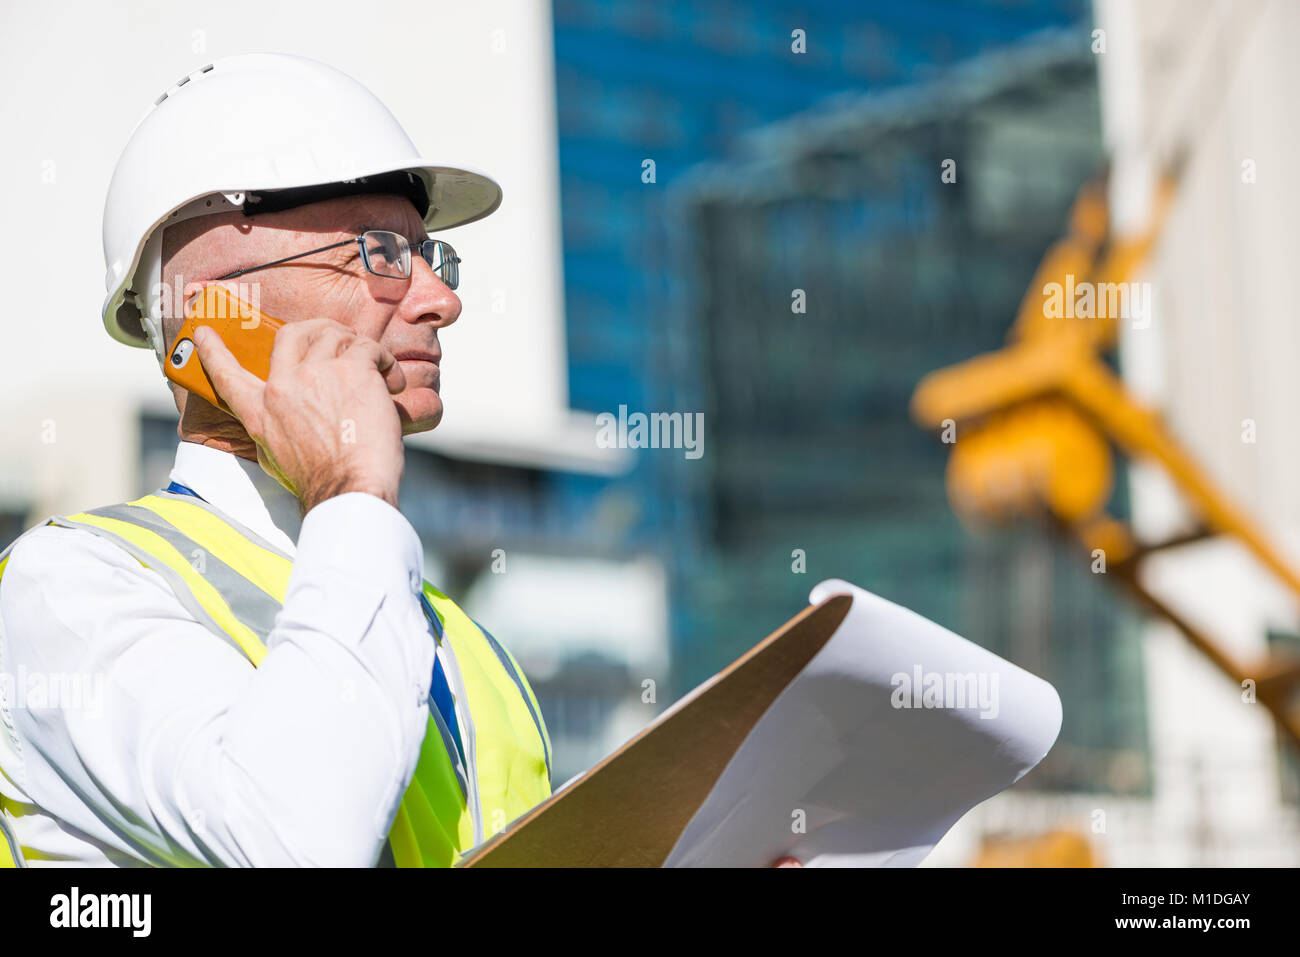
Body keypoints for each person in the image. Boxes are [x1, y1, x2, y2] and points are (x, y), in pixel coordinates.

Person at [0, 53, 551, 867]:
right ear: (217, 309)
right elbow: (298, 842)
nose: (442, 299)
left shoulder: (463, 638)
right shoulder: (67, 586)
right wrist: (351, 488)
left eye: (434, 258)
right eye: (381, 254)